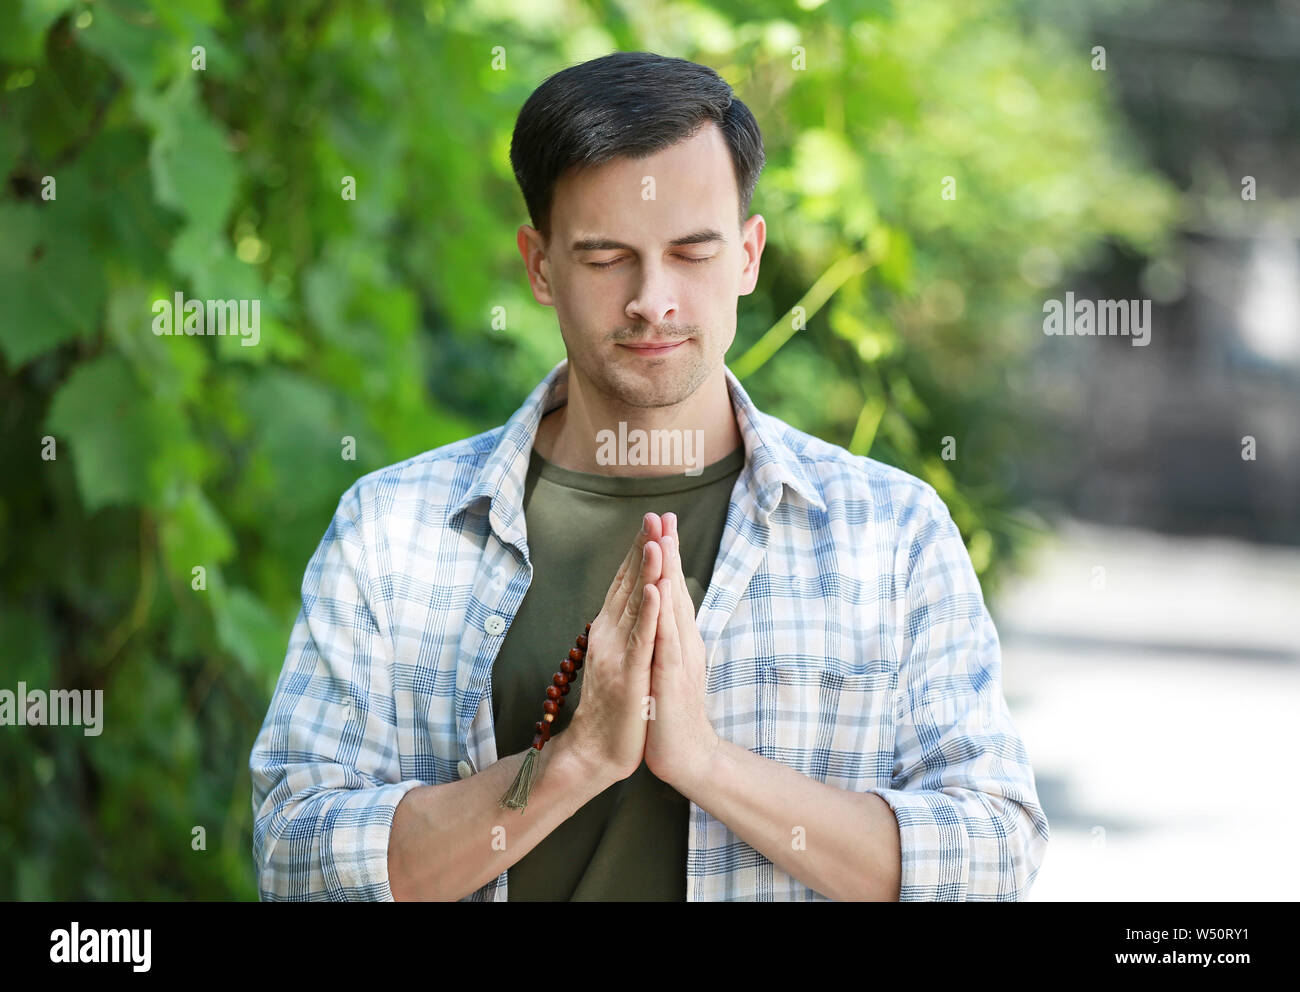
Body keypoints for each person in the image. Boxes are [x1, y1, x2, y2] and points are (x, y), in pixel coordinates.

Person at [249, 50, 1049, 901]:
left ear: (747, 255)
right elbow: (298, 861)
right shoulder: (393, 532)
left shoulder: (889, 535)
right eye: (604, 259)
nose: (653, 299)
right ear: (540, 266)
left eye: (692, 253)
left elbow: (992, 855)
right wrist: (576, 760)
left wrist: (704, 762)